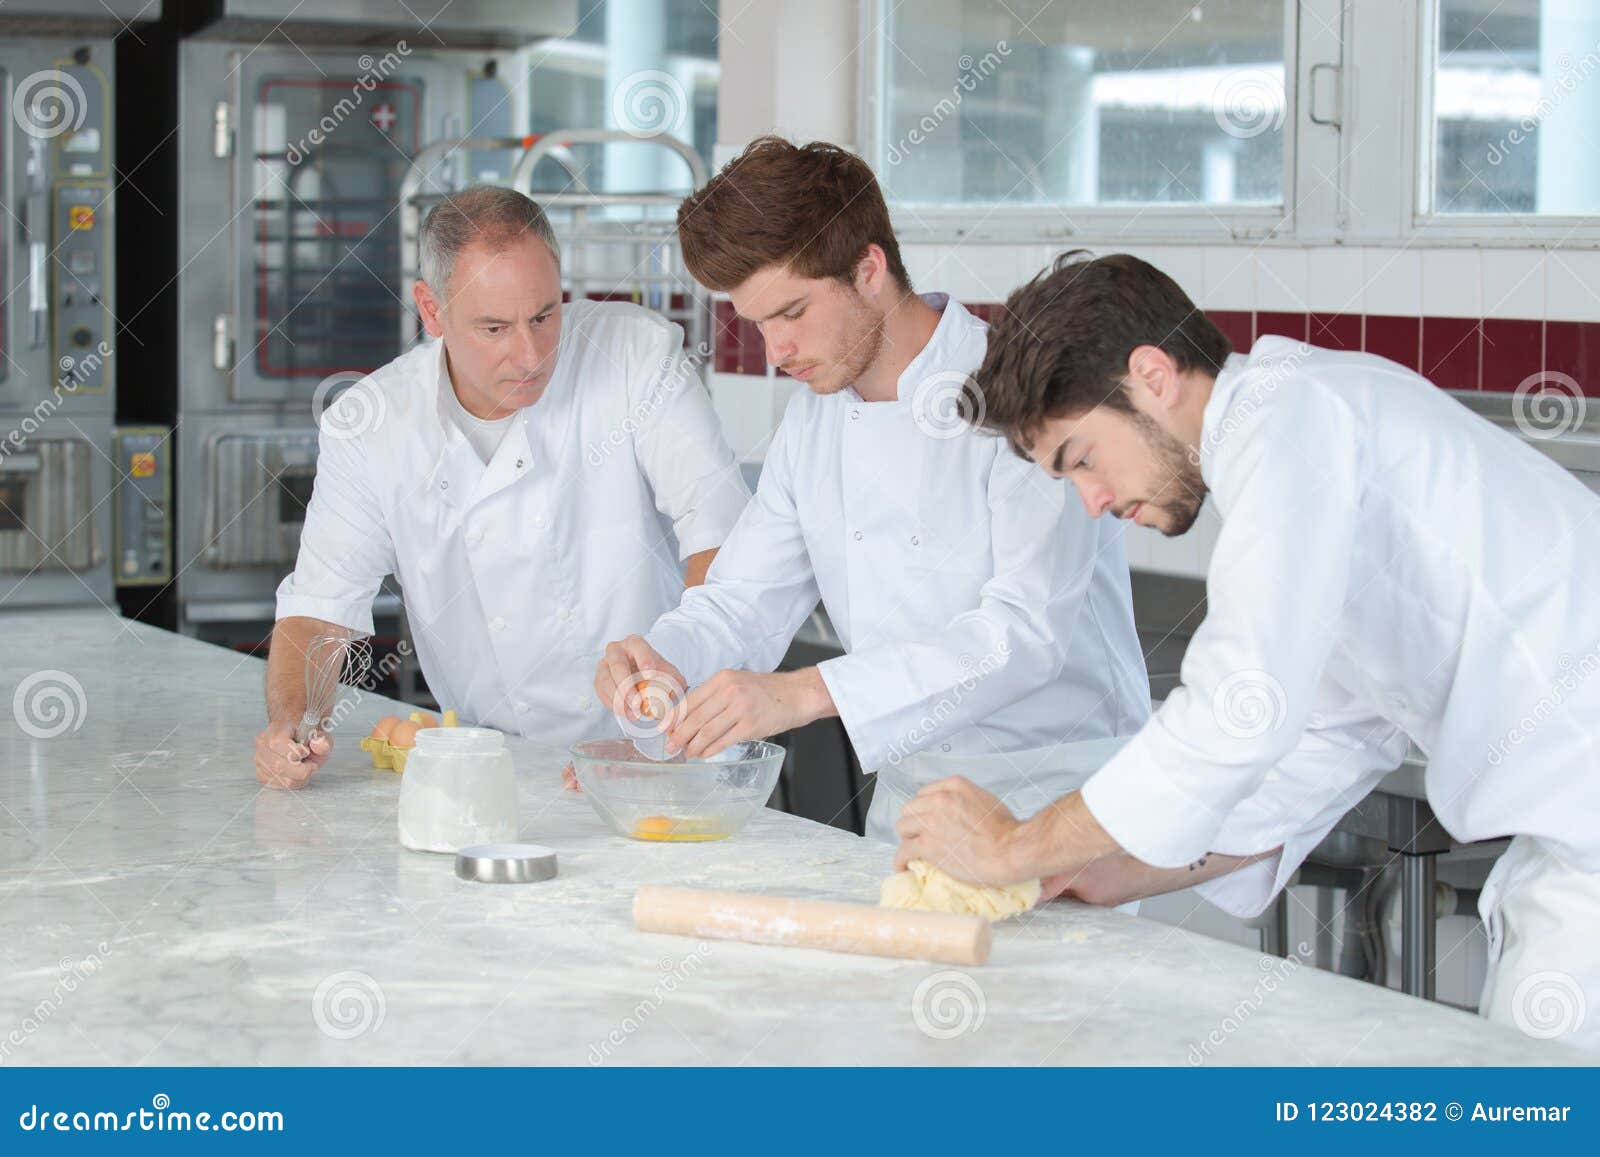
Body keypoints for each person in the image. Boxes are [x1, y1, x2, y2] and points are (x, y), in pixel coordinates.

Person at [895, 250, 1600, 1049]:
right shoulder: (1305, 434)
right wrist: (1100, 868)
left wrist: (1016, 844)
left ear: (1152, 374)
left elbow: (1235, 711)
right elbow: (1316, 751)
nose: (1091, 501)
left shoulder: (1287, 416)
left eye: (1082, 458)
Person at [593, 140, 1150, 843]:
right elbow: (742, 601)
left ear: (869, 269)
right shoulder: (815, 418)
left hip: (1061, 795)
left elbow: (1021, 635)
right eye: (757, 321)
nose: (776, 350)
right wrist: (662, 658)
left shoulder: (1019, 394)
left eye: (792, 311)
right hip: (917, 800)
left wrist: (802, 693)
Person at [254, 186, 750, 789]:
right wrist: (294, 724)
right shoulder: (373, 424)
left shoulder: (633, 357)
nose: (531, 353)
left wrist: (657, 716)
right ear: (431, 312)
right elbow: (319, 610)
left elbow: (722, 540)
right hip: (487, 770)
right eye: (494, 327)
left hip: (670, 752)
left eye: (545, 315)